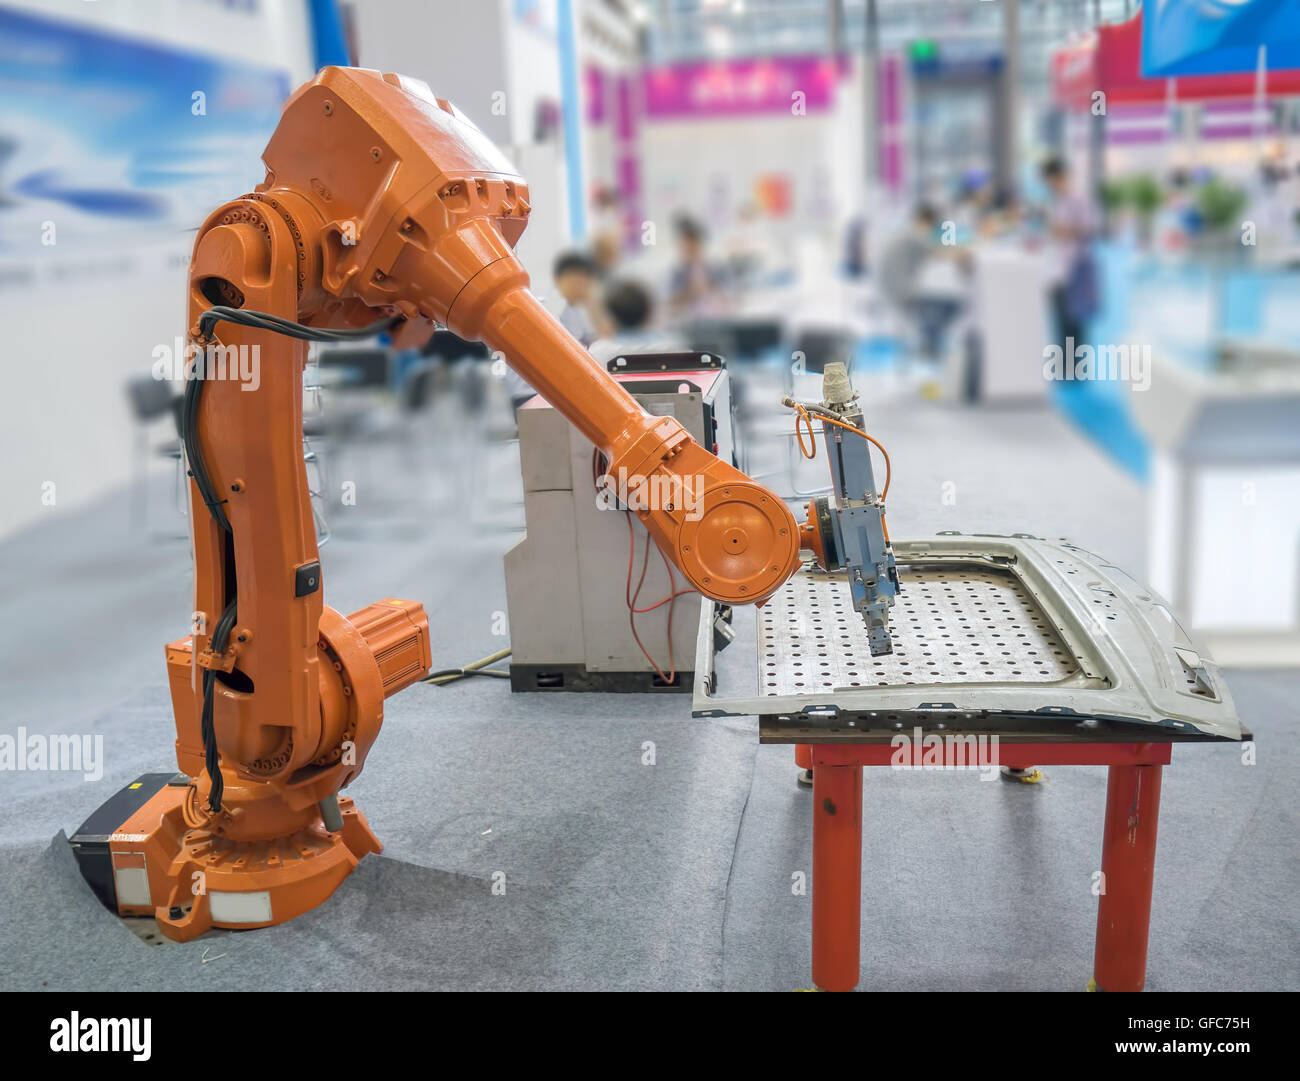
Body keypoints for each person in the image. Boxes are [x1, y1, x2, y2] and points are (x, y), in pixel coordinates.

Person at [506, 249, 598, 416]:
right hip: (532, 395)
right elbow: (573, 353)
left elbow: (590, 340)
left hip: (535, 395)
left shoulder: (570, 304)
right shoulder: (555, 304)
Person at [1041, 156, 1100, 360]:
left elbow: (1091, 229)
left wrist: (1064, 230)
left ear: (1059, 177)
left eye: (1051, 180)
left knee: (1075, 320)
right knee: (1060, 321)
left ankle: (1076, 366)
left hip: (1075, 265)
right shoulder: (1057, 201)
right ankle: (1066, 364)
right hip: (1056, 267)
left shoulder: (1079, 199)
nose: (1049, 185)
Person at [667, 213, 727, 317]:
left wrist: (711, 289)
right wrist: (690, 292)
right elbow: (669, 302)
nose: (691, 253)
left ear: (700, 246)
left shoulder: (716, 269)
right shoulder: (675, 273)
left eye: (694, 248)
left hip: (714, 316)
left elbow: (729, 294)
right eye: (687, 249)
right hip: (686, 317)